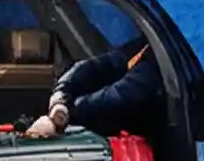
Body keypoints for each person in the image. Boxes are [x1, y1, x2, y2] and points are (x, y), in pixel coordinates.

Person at [26, 36, 165, 139]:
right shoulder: (150, 43)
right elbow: (107, 64)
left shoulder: (165, 53)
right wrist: (62, 94)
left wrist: (69, 114)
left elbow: (124, 96)